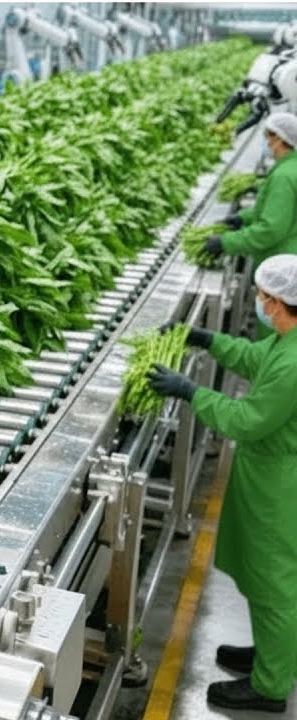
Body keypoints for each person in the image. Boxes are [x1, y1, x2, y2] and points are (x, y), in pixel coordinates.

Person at [147, 253, 297, 714]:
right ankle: (271, 655)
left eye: (260, 296)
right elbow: (255, 357)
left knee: (274, 581)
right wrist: (207, 339)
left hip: (280, 481)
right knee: (263, 575)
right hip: (266, 473)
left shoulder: (294, 362)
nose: (256, 301)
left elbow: (248, 420)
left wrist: (192, 392)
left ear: (277, 302)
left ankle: (270, 687)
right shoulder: (285, 342)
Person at [205, 111, 297, 337]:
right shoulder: (289, 168)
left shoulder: (285, 176)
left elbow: (270, 230)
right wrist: (243, 217)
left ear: (278, 138)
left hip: (280, 263)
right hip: (285, 255)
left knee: (276, 338)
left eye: (268, 137)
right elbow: (274, 209)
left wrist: (225, 242)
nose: (266, 142)